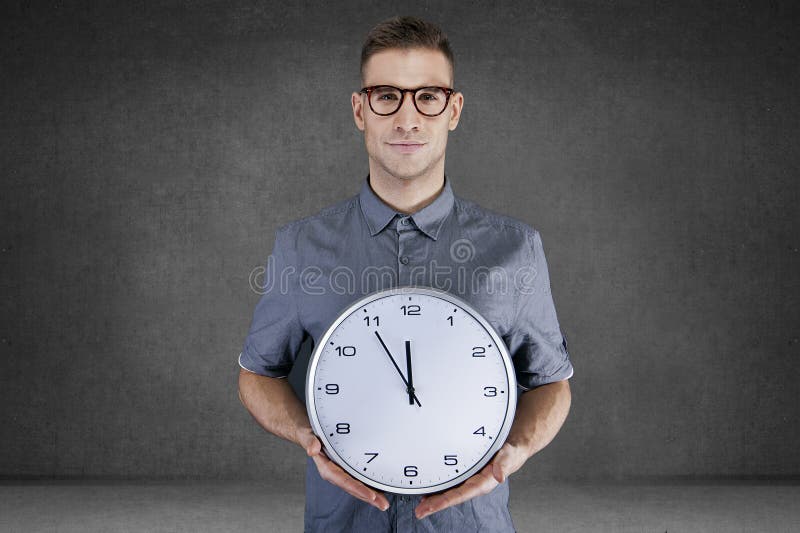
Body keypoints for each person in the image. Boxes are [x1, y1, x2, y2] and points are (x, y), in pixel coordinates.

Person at [237, 16, 573, 532]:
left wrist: (515, 453)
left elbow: (552, 383)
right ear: (359, 110)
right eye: (387, 96)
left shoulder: (515, 249)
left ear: (453, 110)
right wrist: (308, 435)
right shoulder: (302, 246)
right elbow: (257, 373)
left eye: (428, 97)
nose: (407, 119)